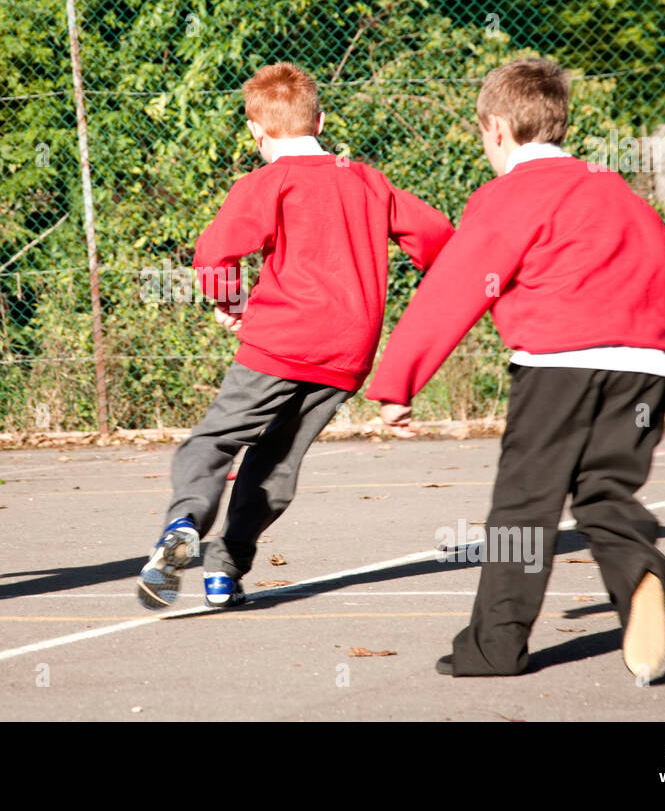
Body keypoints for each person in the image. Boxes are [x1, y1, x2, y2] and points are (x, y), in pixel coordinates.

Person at [367, 58, 665, 682]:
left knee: (524, 508)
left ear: (495, 129)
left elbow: (455, 289)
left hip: (557, 366)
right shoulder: (615, 189)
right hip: (643, 367)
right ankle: (640, 573)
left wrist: (398, 382)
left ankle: (494, 647)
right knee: (606, 493)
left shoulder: (506, 195)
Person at [136, 62, 454, 611]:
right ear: (321, 120)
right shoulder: (366, 179)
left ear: (257, 132)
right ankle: (225, 572)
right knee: (277, 464)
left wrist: (229, 302)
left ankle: (183, 526)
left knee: (213, 442)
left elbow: (214, 255)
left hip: (279, 343)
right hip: (346, 356)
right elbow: (436, 237)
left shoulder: (266, 181)